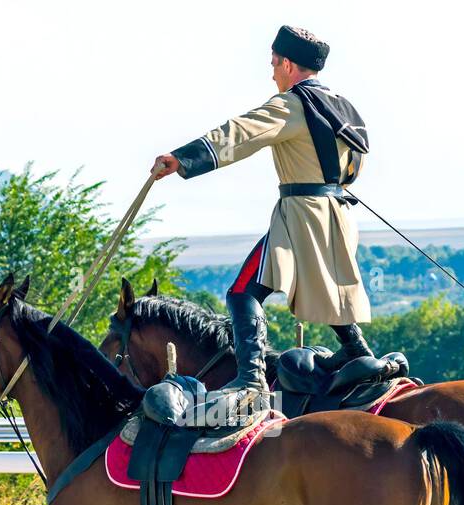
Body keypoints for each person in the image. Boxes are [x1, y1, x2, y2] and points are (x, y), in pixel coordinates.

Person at [152, 25, 374, 415]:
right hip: (338, 213)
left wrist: (182, 160)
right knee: (326, 290)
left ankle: (250, 378)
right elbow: (354, 163)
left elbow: (240, 132)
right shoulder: (343, 106)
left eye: (274, 64)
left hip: (301, 214)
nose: (272, 72)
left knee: (242, 292)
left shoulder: (290, 105)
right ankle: (357, 351)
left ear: (288, 64)